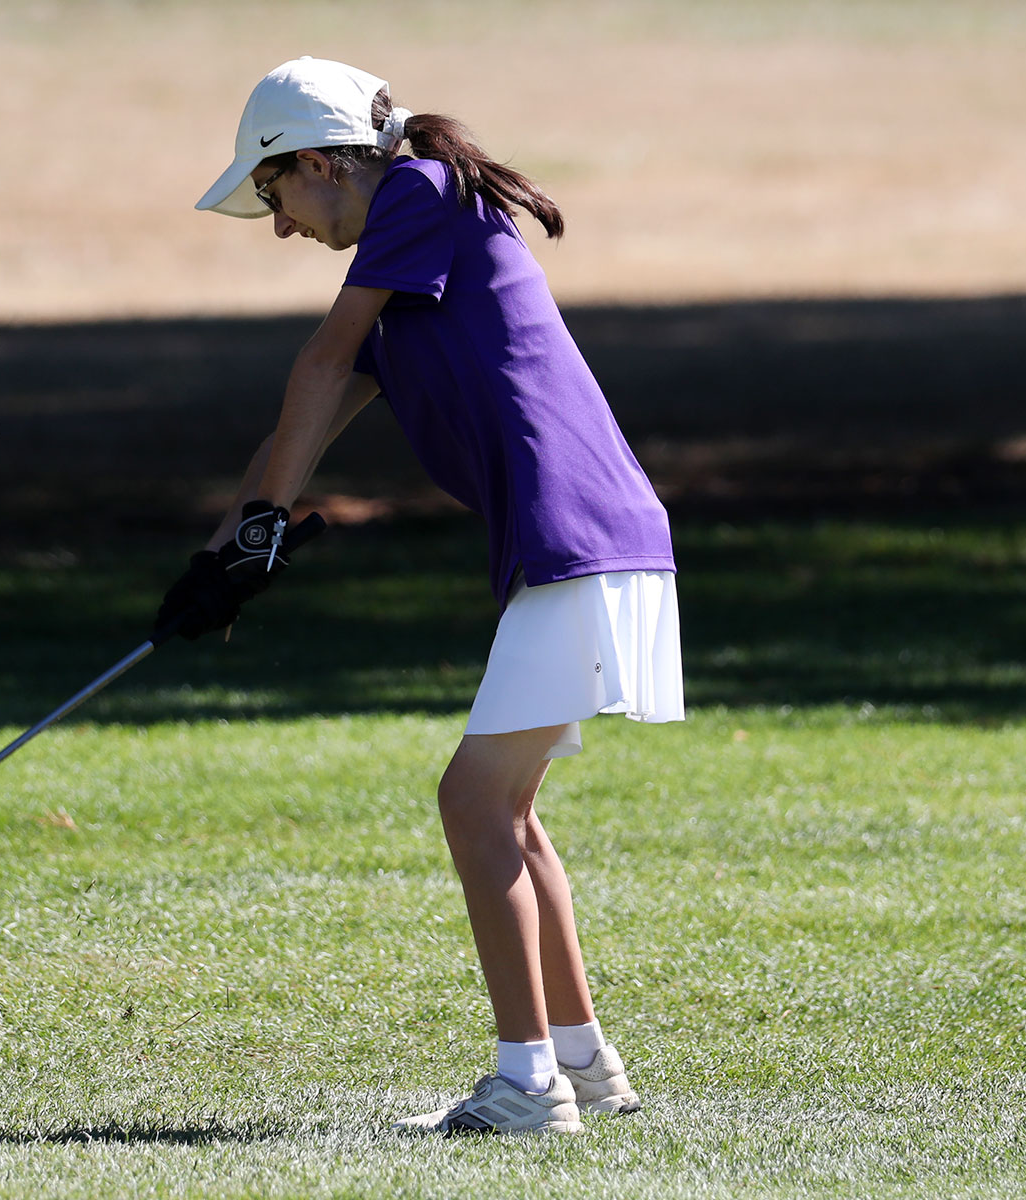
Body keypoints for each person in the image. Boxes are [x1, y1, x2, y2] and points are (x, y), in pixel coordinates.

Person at [154, 57, 685, 1136]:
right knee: (512, 815)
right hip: (600, 545)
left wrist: (257, 533)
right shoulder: (412, 277)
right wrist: (216, 566)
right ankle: (586, 1068)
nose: (282, 227)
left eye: (274, 196)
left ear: (317, 162)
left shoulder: (415, 196)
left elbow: (317, 358)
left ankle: (526, 1086)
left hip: (577, 543)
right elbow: (298, 429)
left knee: (472, 803)